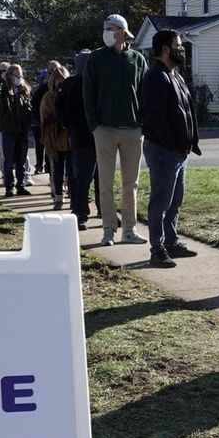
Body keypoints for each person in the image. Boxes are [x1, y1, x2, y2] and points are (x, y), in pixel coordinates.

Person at [84, 14, 149, 246]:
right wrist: (94, 125)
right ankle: (109, 228)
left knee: (131, 184)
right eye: (105, 29)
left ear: (122, 31)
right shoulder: (96, 58)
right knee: (105, 182)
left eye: (110, 29)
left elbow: (145, 93)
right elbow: (88, 93)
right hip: (105, 130)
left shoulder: (137, 59)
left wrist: (143, 123)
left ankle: (129, 230)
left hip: (132, 129)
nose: (106, 33)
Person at [141, 29, 202, 268]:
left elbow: (186, 111)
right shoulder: (156, 76)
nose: (181, 49)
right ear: (165, 48)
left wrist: (188, 143)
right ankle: (157, 248)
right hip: (164, 150)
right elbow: (155, 118)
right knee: (161, 202)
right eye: (178, 44)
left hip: (179, 150)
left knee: (175, 200)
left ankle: (171, 242)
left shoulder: (174, 74)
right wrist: (173, 144)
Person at [57, 50, 101, 231]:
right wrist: (69, 124)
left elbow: (59, 108)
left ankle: (98, 211)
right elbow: (59, 108)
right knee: (84, 177)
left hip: (90, 135)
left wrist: (67, 124)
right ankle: (80, 213)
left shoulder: (76, 84)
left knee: (98, 178)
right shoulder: (75, 84)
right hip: (84, 136)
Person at [0, 63, 34, 197]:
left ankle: (21, 185)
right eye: (17, 75)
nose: (20, 78)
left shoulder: (24, 90)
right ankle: (9, 187)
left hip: (21, 130)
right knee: (8, 159)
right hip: (9, 129)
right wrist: (2, 79)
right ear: (10, 75)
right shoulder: (5, 90)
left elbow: (29, 108)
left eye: (21, 75)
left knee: (21, 160)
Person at [40, 64, 71, 210]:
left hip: (70, 138)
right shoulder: (48, 97)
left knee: (72, 169)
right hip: (55, 138)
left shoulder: (71, 93)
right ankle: (58, 196)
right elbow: (44, 118)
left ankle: (73, 193)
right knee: (57, 169)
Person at [32, 62, 60, 175]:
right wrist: (40, 121)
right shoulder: (42, 89)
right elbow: (34, 106)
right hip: (42, 124)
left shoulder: (64, 87)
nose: (52, 73)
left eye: (55, 70)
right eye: (50, 71)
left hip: (58, 126)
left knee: (55, 152)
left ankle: (50, 169)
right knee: (41, 146)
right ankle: (40, 165)